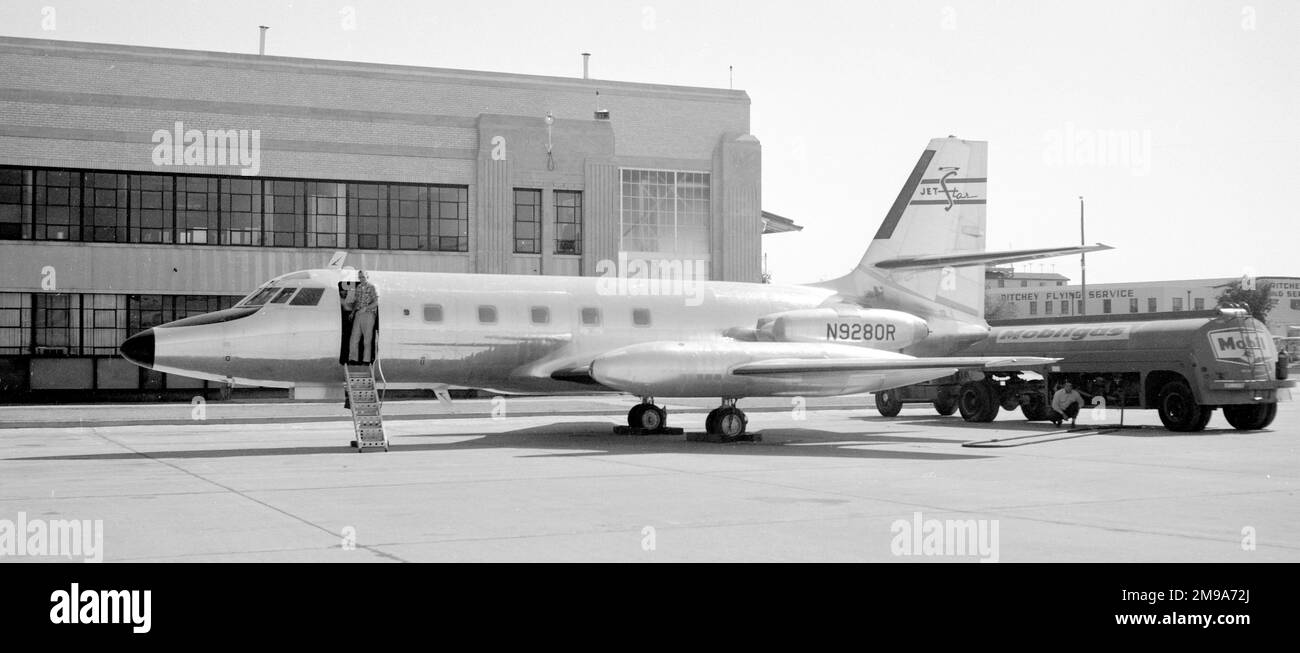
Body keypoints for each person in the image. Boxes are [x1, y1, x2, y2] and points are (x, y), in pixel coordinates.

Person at [348, 270, 378, 365]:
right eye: (360, 277)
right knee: (354, 338)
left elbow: (376, 302)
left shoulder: (372, 287)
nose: (361, 279)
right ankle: (353, 359)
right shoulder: (359, 287)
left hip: (369, 314)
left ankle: (366, 360)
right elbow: (357, 302)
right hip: (359, 314)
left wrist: (365, 309)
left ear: (367, 277)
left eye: (363, 277)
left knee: (367, 339)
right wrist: (353, 312)